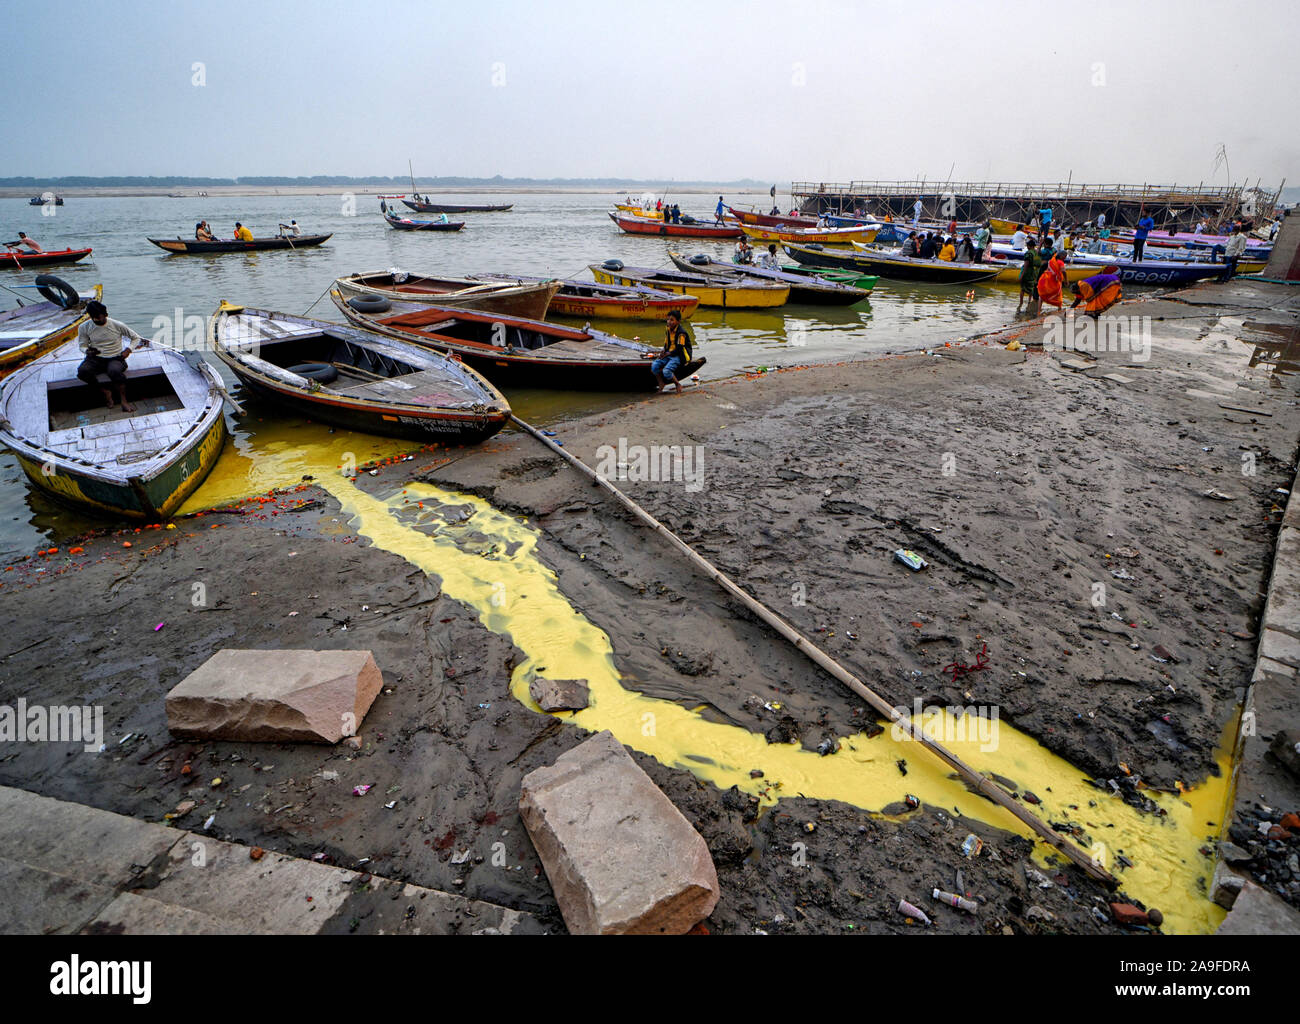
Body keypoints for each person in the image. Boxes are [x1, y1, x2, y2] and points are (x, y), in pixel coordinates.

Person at [76, 300, 148, 412]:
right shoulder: (84, 327)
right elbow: (82, 345)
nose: (98, 320)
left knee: (114, 371)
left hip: (115, 357)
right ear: (90, 317)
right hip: (95, 358)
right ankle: (105, 392)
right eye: (95, 318)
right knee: (82, 372)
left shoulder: (117, 325)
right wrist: (87, 351)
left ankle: (123, 401)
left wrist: (128, 350)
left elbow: (136, 338)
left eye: (100, 318)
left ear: (106, 315)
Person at [652, 310, 692, 395]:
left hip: (679, 355)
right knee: (654, 366)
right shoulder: (668, 329)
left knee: (666, 371)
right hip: (669, 353)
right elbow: (666, 342)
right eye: (668, 319)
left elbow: (680, 348)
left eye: (672, 320)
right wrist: (663, 351)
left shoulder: (681, 333)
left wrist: (668, 353)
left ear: (678, 321)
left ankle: (677, 384)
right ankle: (661, 383)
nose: (669, 322)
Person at [1016, 245, 1042, 312]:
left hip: (1027, 273)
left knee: (1022, 289)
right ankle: (1029, 302)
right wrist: (1041, 243)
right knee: (1031, 289)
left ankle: (1021, 303)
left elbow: (1026, 265)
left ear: (1028, 246)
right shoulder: (1036, 252)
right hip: (1034, 273)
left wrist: (1021, 275)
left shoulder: (1028, 253)